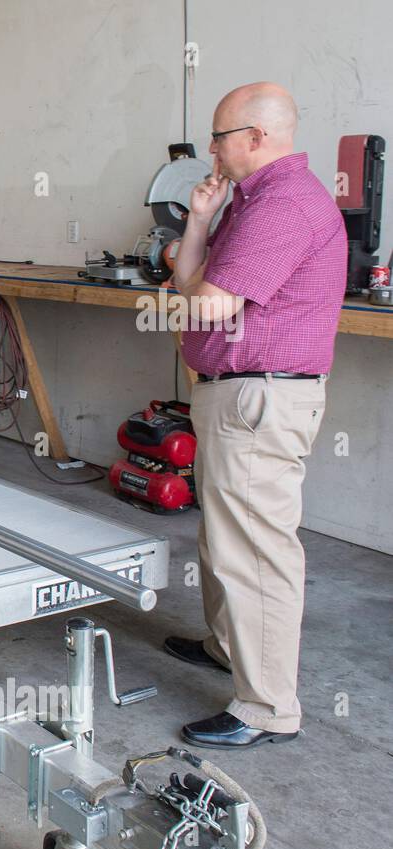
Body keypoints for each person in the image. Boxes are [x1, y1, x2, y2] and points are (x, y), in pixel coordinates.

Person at [167, 82, 346, 750]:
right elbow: (190, 284)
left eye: (218, 137)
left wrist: (188, 292)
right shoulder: (250, 201)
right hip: (234, 394)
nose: (211, 150)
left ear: (256, 137)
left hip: (259, 399)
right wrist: (199, 221)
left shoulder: (285, 203)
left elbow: (209, 303)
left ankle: (268, 707)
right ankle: (227, 646)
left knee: (256, 553)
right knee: (225, 539)